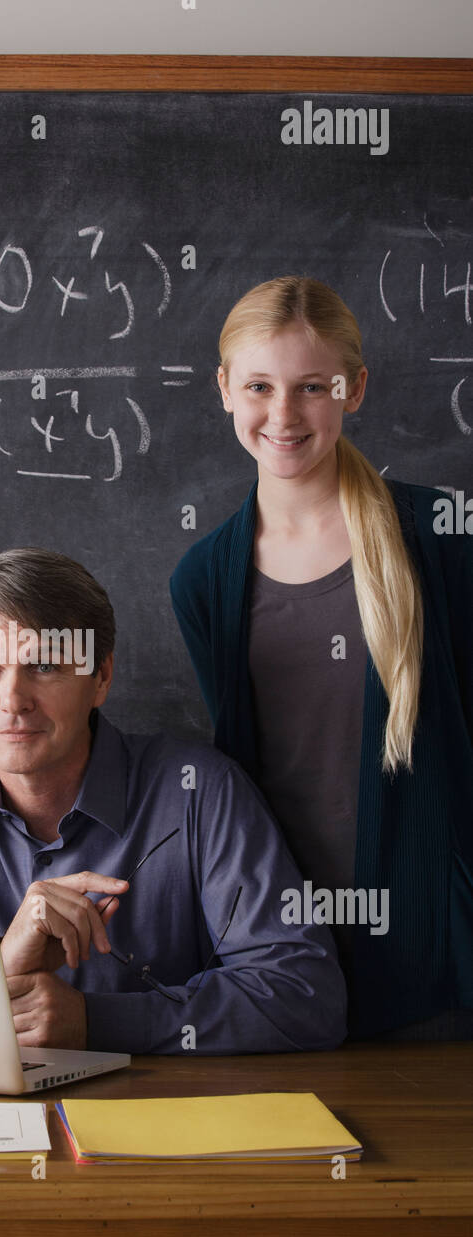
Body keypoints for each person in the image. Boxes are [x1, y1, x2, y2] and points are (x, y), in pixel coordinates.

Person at [0, 547, 346, 1056]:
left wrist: (93, 1022)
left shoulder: (200, 792)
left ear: (101, 677)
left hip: (160, 1120)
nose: (13, 699)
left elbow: (305, 995)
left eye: (44, 665)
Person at [169, 276, 473, 1040]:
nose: (283, 414)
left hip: (437, 950)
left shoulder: (444, 534)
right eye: (260, 386)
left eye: (313, 386)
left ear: (355, 388)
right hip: (277, 948)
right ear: (224, 391)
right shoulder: (204, 578)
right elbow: (244, 773)